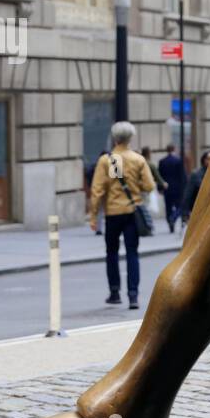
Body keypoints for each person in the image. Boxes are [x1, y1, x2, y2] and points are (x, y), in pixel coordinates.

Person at [87, 121, 156, 309]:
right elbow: (149, 186)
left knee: (112, 253)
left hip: (113, 213)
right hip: (132, 212)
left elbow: (98, 190)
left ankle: (115, 292)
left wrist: (93, 217)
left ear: (115, 138)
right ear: (130, 138)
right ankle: (133, 296)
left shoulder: (110, 160)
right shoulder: (138, 159)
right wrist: (136, 188)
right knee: (132, 253)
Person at [180, 150, 210, 227]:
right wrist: (185, 213)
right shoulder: (196, 175)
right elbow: (188, 194)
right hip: (200, 210)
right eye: (209, 158)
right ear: (204, 160)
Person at [157, 144, 186, 233]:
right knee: (179, 206)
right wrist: (185, 187)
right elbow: (182, 176)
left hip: (167, 188)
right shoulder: (178, 160)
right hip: (178, 188)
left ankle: (171, 225)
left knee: (168, 207)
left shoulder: (162, 161)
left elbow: (159, 176)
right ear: (174, 149)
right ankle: (173, 218)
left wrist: (160, 188)